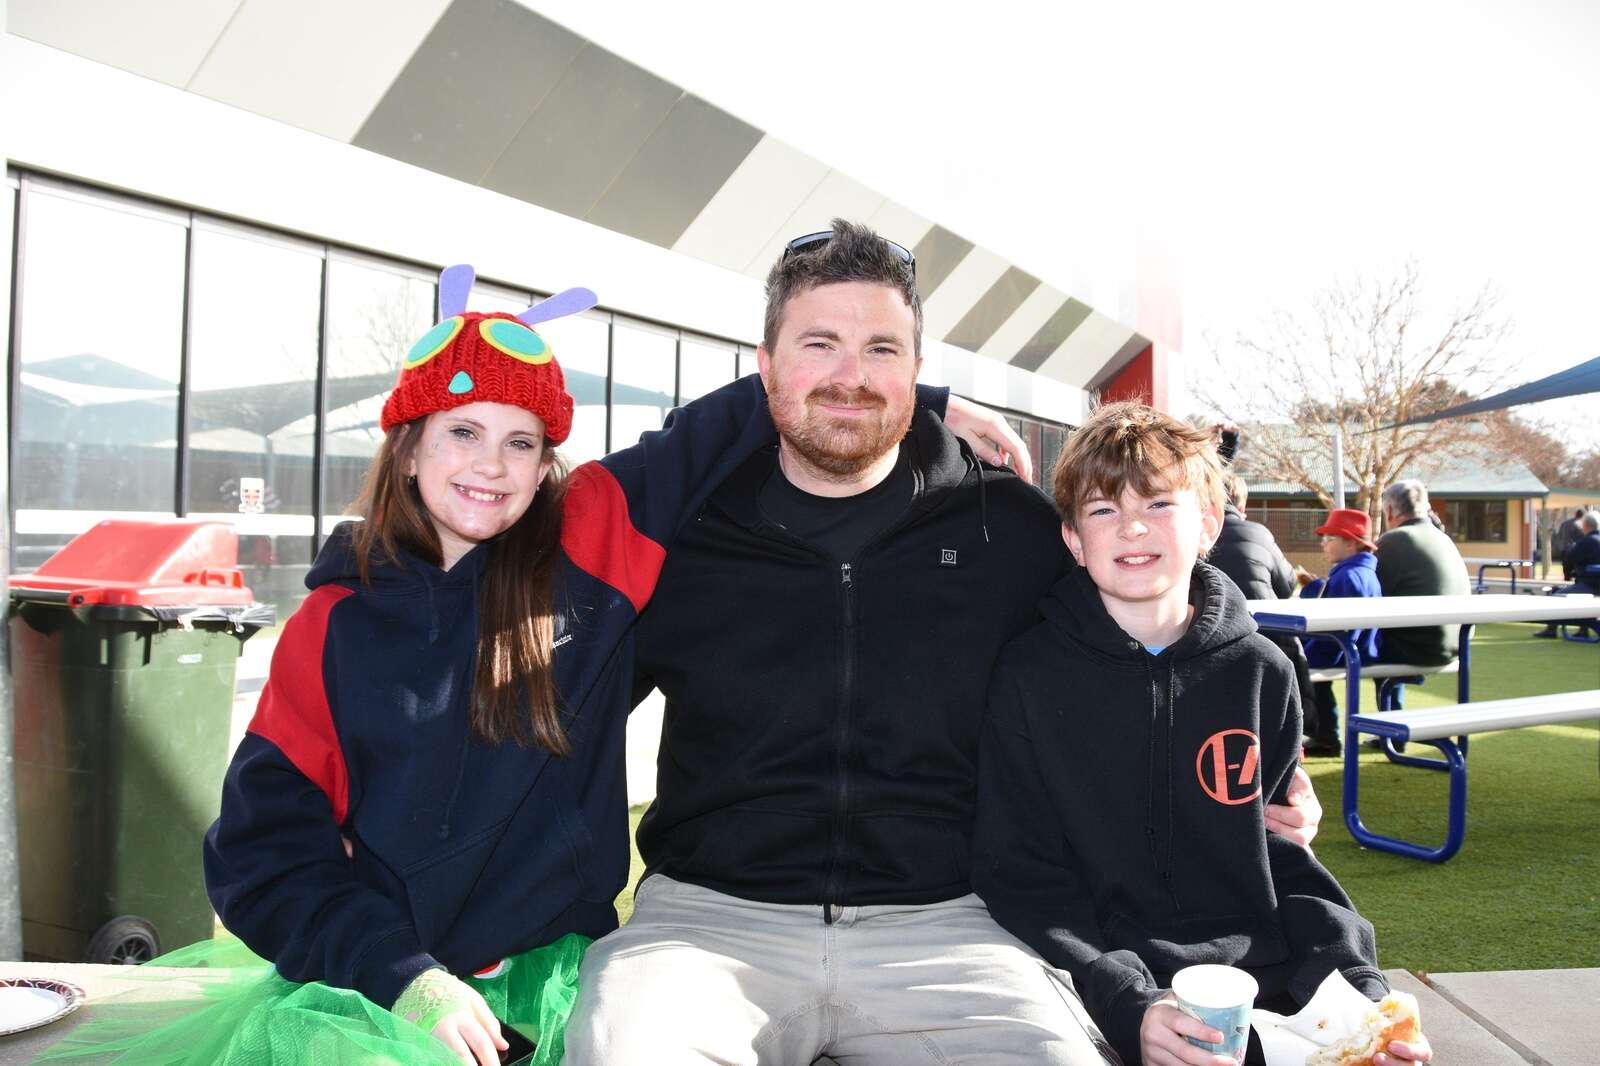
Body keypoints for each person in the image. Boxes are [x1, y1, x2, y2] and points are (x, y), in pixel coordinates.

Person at [42, 266, 1015, 1066]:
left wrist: (920, 399)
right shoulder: (332, 628)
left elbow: (732, 421)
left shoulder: (587, 547)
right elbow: (262, 857)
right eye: (463, 432)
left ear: (548, 461)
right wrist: (405, 979)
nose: (491, 464)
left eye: (522, 441)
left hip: (552, 981)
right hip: (383, 994)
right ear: (409, 446)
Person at [565, 220, 1323, 1064]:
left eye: (882, 349)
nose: (852, 376)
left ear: (918, 371)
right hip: (707, 922)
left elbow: (1148, 636)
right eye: (820, 344)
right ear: (764, 365)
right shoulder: (683, 532)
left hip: (956, 921)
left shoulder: (1011, 529)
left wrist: (1254, 760)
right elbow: (543, 702)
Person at [971, 403, 1431, 1066]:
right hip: (1095, 981)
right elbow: (1020, 875)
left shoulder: (1262, 671)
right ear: (1072, 539)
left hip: (1252, 977)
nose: (1132, 526)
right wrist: (1129, 1001)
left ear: (1209, 522)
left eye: (1159, 503)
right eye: (1102, 509)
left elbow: (1282, 854)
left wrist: (1356, 989)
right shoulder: (1027, 675)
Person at [1208, 472, 1320, 749]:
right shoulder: (1260, 533)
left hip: (1215, 636)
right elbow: (1287, 584)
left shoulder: (1195, 533)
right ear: (1242, 504)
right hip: (1271, 636)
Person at [1295, 508, 1384, 755]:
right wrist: (1315, 586)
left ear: (1350, 543)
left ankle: (1325, 736)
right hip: (1360, 649)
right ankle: (1325, 735)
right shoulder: (1361, 572)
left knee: (1294, 663)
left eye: (1329, 538)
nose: (1323, 543)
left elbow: (1337, 632)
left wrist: (1305, 653)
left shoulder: (1349, 576)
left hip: (1347, 652)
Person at [1373, 480, 1469, 707]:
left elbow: (1369, 593)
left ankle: (1385, 719)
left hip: (1420, 647)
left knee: (1343, 648)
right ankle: (1392, 718)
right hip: (1457, 644)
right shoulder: (1444, 539)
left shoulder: (1393, 541)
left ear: (1389, 510)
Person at [1536, 510, 1600, 638]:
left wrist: (1569, 573)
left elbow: (1570, 559)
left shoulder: (1587, 541)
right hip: (1595, 584)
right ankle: (1582, 630)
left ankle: (1551, 629)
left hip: (1591, 585)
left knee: (1557, 596)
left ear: (1586, 525)